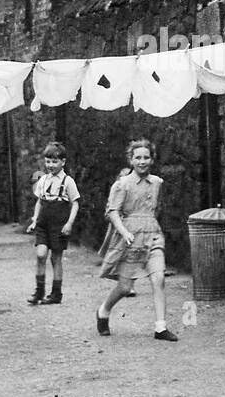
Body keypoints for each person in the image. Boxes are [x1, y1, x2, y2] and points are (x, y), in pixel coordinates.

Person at [96, 139, 177, 342]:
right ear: (131, 160)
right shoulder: (122, 184)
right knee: (124, 287)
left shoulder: (158, 183)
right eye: (138, 157)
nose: (142, 161)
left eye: (146, 157)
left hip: (153, 234)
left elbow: (157, 209)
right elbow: (113, 212)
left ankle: (160, 328)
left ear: (152, 159)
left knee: (158, 278)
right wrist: (124, 232)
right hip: (130, 238)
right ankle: (104, 311)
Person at [25, 141, 80, 306]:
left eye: (54, 161)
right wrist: (34, 220)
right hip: (43, 223)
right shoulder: (42, 181)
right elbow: (40, 202)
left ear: (63, 162)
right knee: (41, 254)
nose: (50, 165)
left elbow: (75, 203)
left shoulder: (68, 181)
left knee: (56, 258)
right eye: (48, 161)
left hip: (59, 224)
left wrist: (69, 223)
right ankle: (39, 291)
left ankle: (56, 294)